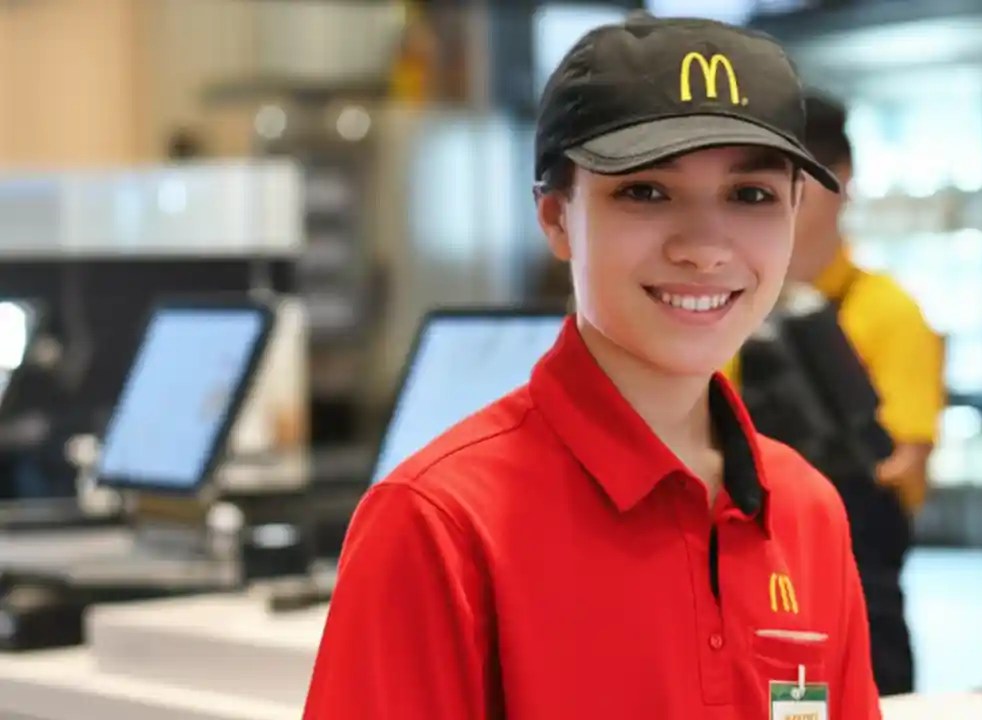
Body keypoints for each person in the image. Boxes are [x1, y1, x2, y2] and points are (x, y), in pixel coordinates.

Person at [303, 15, 882, 720]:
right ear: (554, 216)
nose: (705, 247)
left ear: (795, 210)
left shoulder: (807, 511)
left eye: (749, 196)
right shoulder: (439, 524)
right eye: (645, 191)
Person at [743, 92, 947, 696]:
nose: (775, 207)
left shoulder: (888, 311)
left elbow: (904, 464)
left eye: (793, 185)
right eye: (753, 191)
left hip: (855, 585)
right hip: (754, 582)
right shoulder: (733, 312)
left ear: (842, 180)